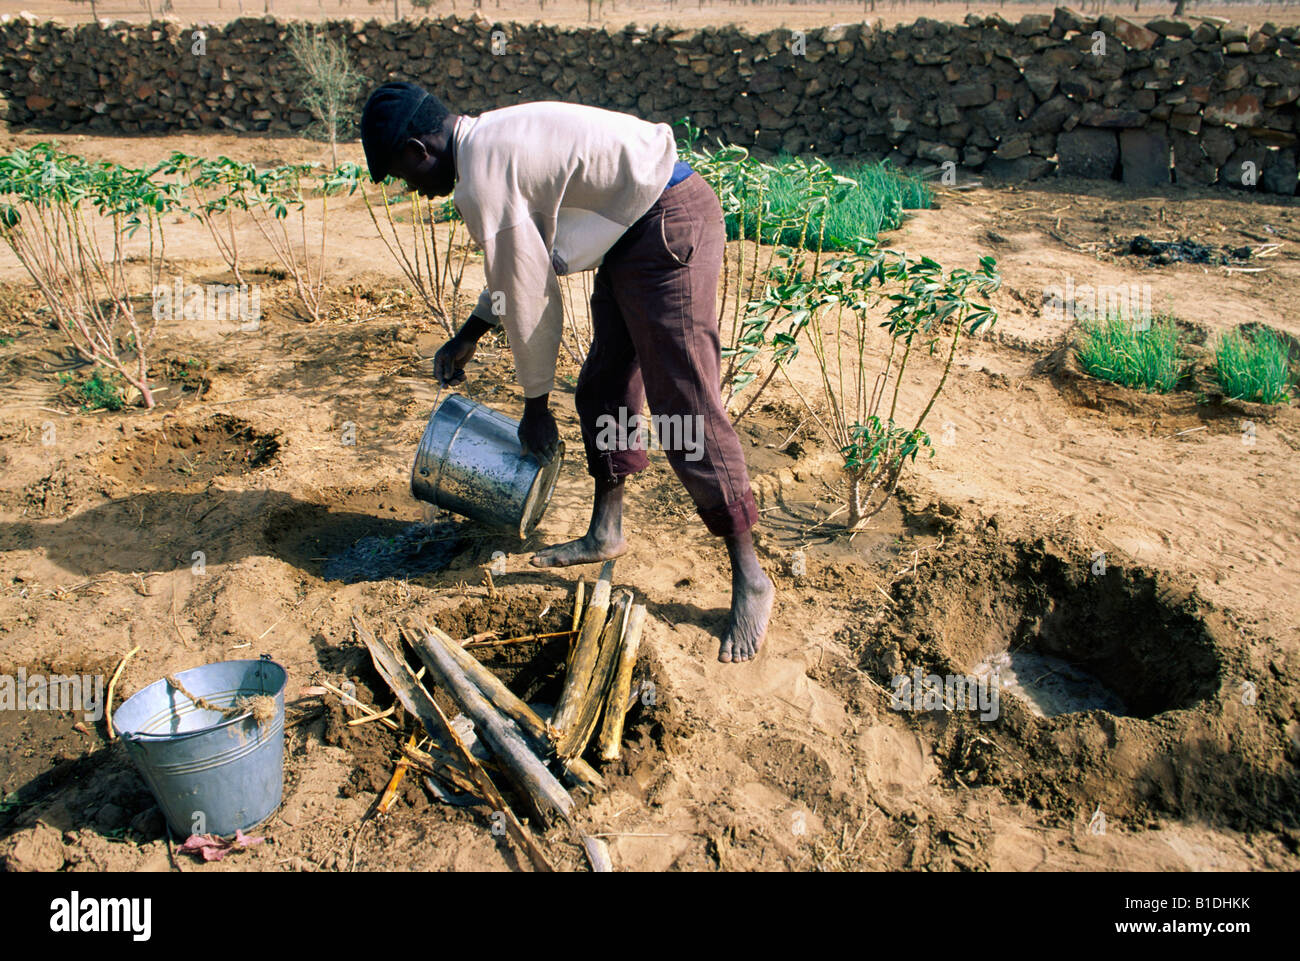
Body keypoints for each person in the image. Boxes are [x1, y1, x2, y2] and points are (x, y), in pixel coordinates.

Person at [360, 83, 773, 663]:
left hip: (665, 222)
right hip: (631, 232)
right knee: (604, 387)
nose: (414, 191)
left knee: (686, 406)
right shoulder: (486, 146)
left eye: (404, 176)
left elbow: (529, 295)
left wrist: (534, 404)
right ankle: (607, 530)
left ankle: (750, 575)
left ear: (416, 149)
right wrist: (470, 335)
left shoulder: (481, 175)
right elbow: (517, 266)